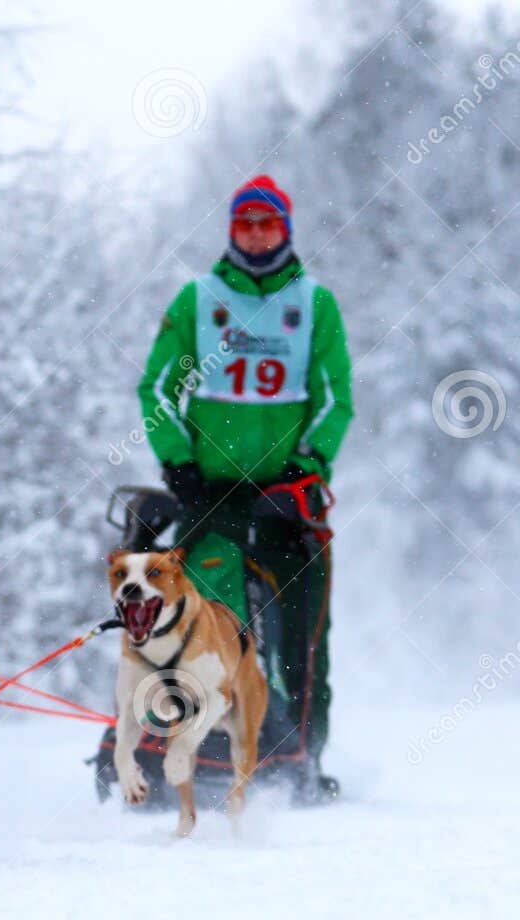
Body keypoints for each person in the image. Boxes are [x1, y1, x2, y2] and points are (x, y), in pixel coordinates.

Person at [134, 174, 352, 798]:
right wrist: (179, 464)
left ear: (285, 228)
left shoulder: (313, 304)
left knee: (302, 629)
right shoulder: (199, 300)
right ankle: (183, 745)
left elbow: (336, 399)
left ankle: (302, 757)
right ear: (233, 230)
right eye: (246, 223)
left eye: (268, 223)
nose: (257, 234)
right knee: (199, 621)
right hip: (211, 495)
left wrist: (307, 467)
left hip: (287, 498)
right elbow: (156, 389)